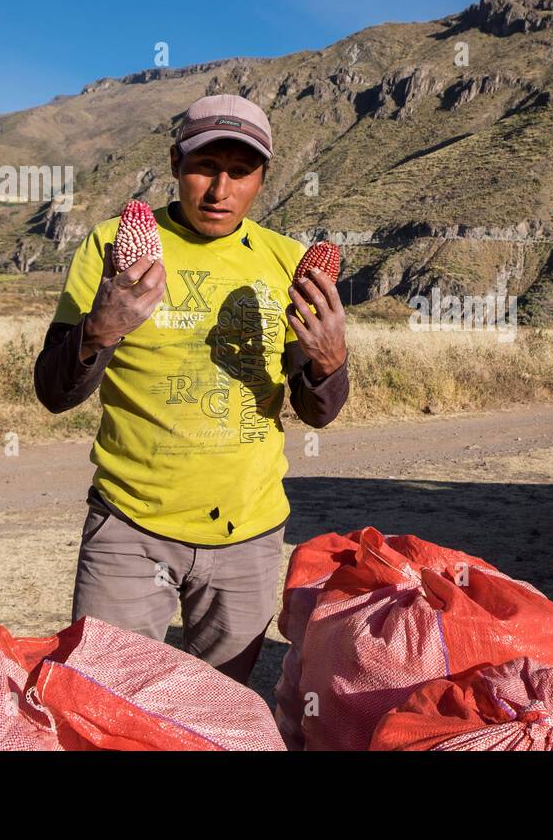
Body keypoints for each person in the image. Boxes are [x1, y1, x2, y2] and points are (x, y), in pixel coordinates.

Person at [33, 93, 348, 684]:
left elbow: (316, 409)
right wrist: (97, 330)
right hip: (130, 526)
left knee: (217, 707)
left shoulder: (287, 262)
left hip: (248, 533)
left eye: (241, 172)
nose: (219, 190)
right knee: (107, 698)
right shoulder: (116, 247)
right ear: (176, 163)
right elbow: (54, 391)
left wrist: (330, 363)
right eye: (204, 167)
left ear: (262, 177)